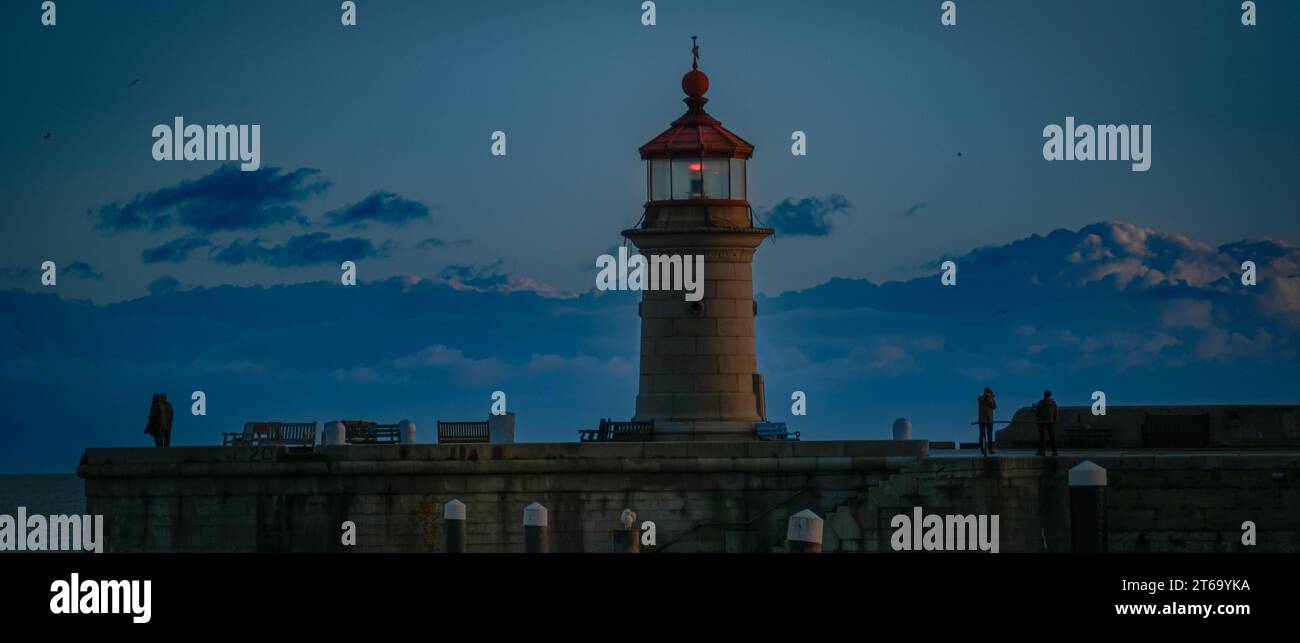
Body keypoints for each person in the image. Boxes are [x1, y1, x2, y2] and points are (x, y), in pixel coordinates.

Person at [1034, 390, 1058, 456]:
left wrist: (1038, 420)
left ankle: (1041, 451)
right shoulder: (1053, 403)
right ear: (1050, 395)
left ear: (1044, 395)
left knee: (1042, 437)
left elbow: (1037, 412)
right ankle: (1054, 452)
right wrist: (1054, 420)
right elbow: (1055, 413)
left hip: (1041, 422)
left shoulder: (1040, 402)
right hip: (1050, 421)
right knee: (1052, 437)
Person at [977, 387, 997, 456]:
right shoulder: (980, 398)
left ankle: (990, 449)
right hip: (982, 420)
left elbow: (994, 406)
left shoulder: (991, 399)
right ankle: (982, 449)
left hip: (989, 420)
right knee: (982, 435)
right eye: (989, 393)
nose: (989, 394)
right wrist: (988, 397)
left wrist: (991, 398)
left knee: (989, 435)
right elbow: (983, 401)